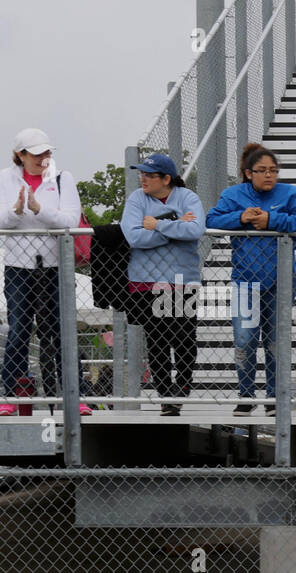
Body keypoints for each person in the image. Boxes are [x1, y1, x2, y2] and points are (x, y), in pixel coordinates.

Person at [206, 143, 296, 415]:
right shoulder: (233, 194)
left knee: (275, 341)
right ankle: (246, 395)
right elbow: (211, 221)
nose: (269, 175)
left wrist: (272, 220)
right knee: (244, 339)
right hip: (245, 280)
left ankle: (273, 397)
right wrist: (241, 217)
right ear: (248, 173)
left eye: (273, 170)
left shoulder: (291, 193)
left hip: (281, 279)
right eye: (262, 171)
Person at [0, 128, 90, 416]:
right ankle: (11, 394)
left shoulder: (63, 178)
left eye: (46, 152)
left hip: (56, 268)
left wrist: (38, 211)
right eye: (36, 154)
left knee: (62, 332)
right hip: (18, 267)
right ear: (21, 155)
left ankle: (76, 397)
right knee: (19, 333)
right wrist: (15, 212)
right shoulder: (5, 178)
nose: (43, 158)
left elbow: (70, 221)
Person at [120, 153, 204, 417]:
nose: (143, 178)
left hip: (181, 280)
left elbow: (195, 230)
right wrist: (175, 227)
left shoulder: (187, 197)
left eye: (149, 174)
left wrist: (157, 225)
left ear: (166, 179)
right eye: (141, 174)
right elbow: (133, 236)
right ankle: (167, 396)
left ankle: (183, 388)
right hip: (146, 281)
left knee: (184, 339)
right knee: (157, 341)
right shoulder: (137, 198)